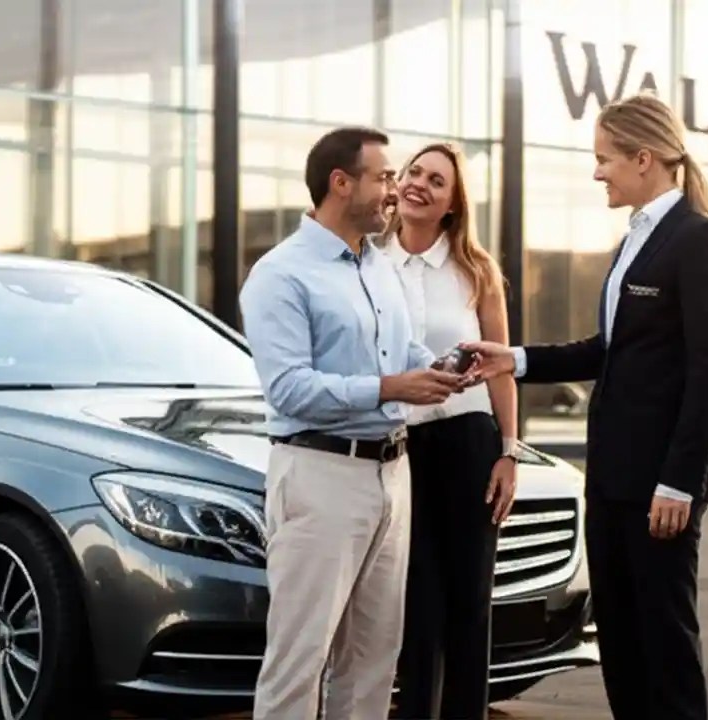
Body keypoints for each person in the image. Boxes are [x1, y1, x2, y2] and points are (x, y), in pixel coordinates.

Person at [462, 93, 708, 720]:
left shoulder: (699, 239)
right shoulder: (634, 242)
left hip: (659, 489)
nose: (596, 173)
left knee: (663, 647)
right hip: (611, 479)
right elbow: (608, 351)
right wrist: (515, 359)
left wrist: (679, 482)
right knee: (619, 643)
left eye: (604, 159)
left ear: (644, 159)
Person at [239, 126, 471, 720]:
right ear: (341, 184)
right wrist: (391, 388)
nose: (395, 189)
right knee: (300, 659)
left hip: (392, 475)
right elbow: (290, 388)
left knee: (373, 661)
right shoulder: (280, 275)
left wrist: (442, 369)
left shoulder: (378, 265)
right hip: (320, 475)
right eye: (385, 177)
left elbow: (402, 351)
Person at [376, 142, 518, 720]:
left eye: (436, 181)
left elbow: (502, 366)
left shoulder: (475, 271)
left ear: (453, 205)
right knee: (416, 607)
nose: (418, 184)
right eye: (414, 172)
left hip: (468, 442)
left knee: (469, 606)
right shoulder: (368, 261)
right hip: (401, 446)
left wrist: (509, 453)